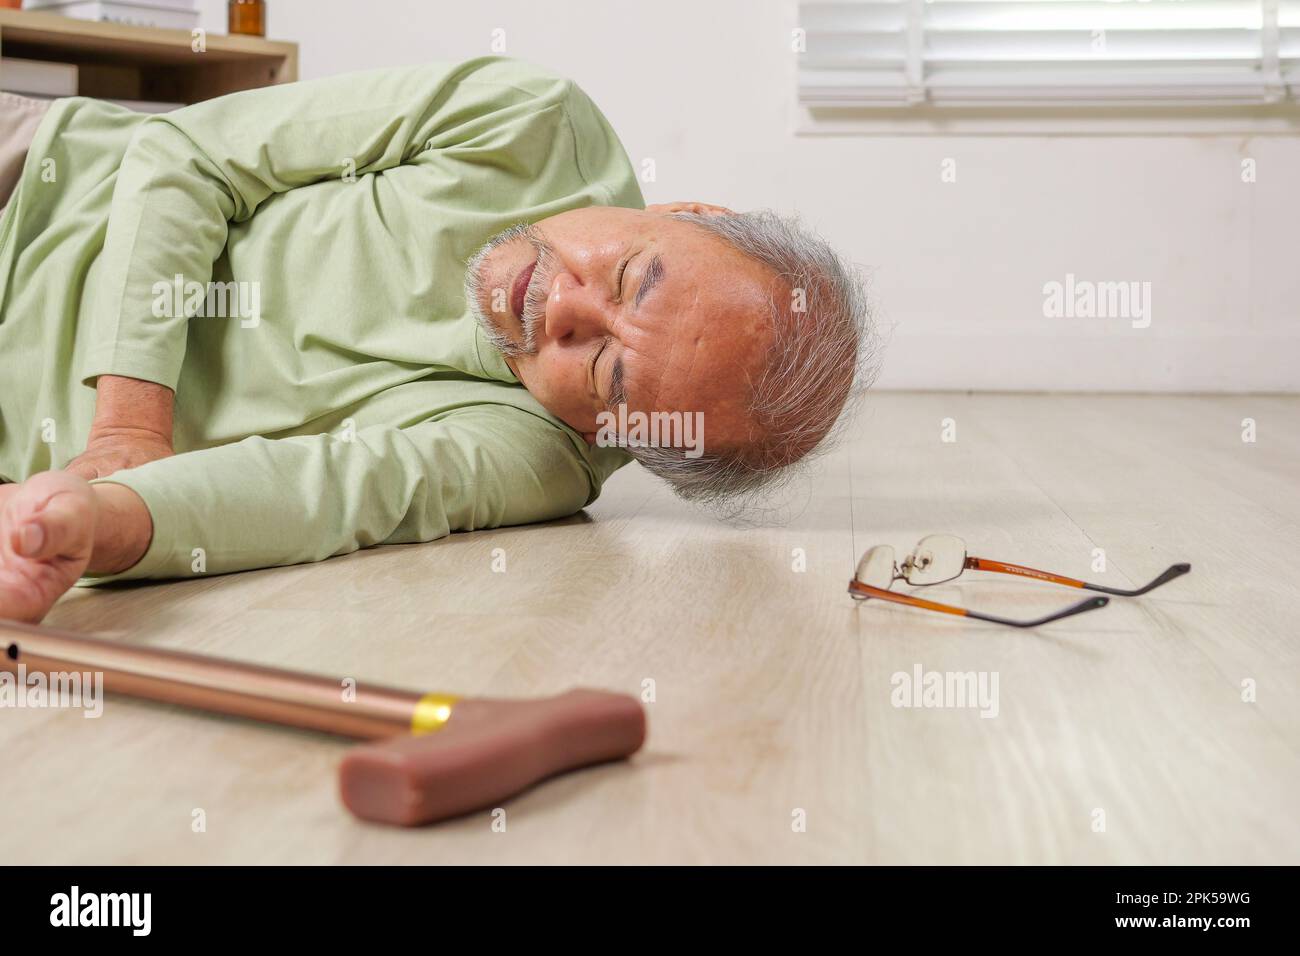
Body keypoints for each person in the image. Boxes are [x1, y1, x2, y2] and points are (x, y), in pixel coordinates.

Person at [0, 58, 871, 624]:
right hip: (36, 194)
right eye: (636, 275)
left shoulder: (536, 457)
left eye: (609, 377)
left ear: (624, 441)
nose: (568, 311)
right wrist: (127, 427)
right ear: (690, 215)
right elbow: (185, 153)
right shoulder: (531, 123)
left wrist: (102, 523)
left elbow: (327, 494)